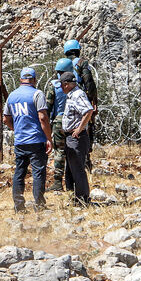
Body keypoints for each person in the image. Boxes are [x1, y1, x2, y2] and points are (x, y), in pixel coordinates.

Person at [2, 67, 52, 212]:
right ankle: (39, 205)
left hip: (20, 140)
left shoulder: (12, 96)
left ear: (20, 79)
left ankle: (19, 206)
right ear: (34, 80)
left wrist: (15, 129)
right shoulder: (37, 94)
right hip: (36, 139)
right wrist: (49, 138)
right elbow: (42, 117)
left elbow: (5, 119)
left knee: (19, 172)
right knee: (38, 173)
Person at [59, 71, 94, 206]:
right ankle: (74, 197)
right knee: (71, 169)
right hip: (71, 137)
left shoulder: (77, 94)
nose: (61, 88)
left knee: (77, 169)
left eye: (62, 85)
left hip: (77, 138)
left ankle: (82, 199)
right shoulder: (71, 95)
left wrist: (79, 128)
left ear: (66, 84)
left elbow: (88, 110)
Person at [62, 40, 98, 169]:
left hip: (66, 101)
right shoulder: (81, 63)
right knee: (85, 129)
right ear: (78, 50)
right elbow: (89, 83)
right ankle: (85, 160)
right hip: (81, 100)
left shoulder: (63, 64)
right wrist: (93, 100)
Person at [46, 58, 74, 192]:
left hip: (59, 121)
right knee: (73, 151)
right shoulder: (75, 85)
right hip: (73, 122)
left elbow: (48, 107)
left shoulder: (54, 85)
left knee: (59, 151)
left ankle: (58, 182)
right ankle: (72, 181)